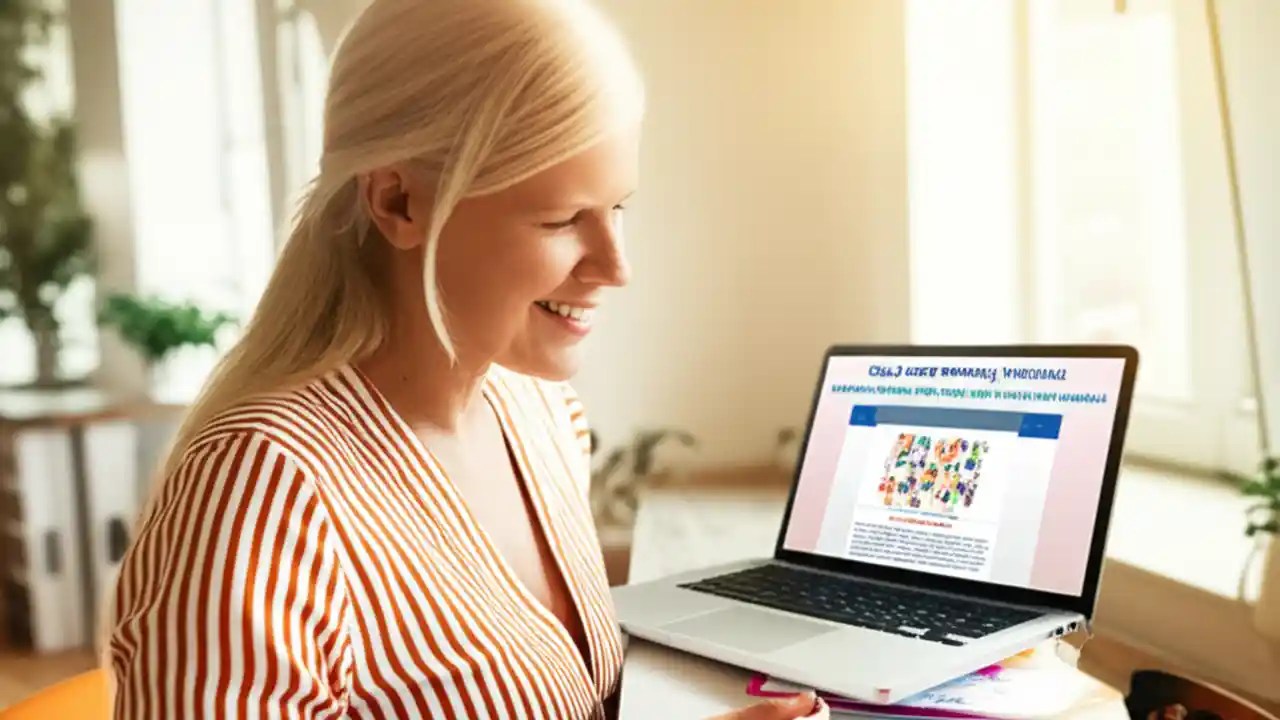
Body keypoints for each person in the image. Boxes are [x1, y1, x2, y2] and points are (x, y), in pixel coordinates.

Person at [104, 0, 824, 718]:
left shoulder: (540, 414)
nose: (615, 266)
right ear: (399, 202)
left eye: (619, 209)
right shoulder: (260, 499)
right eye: (563, 218)